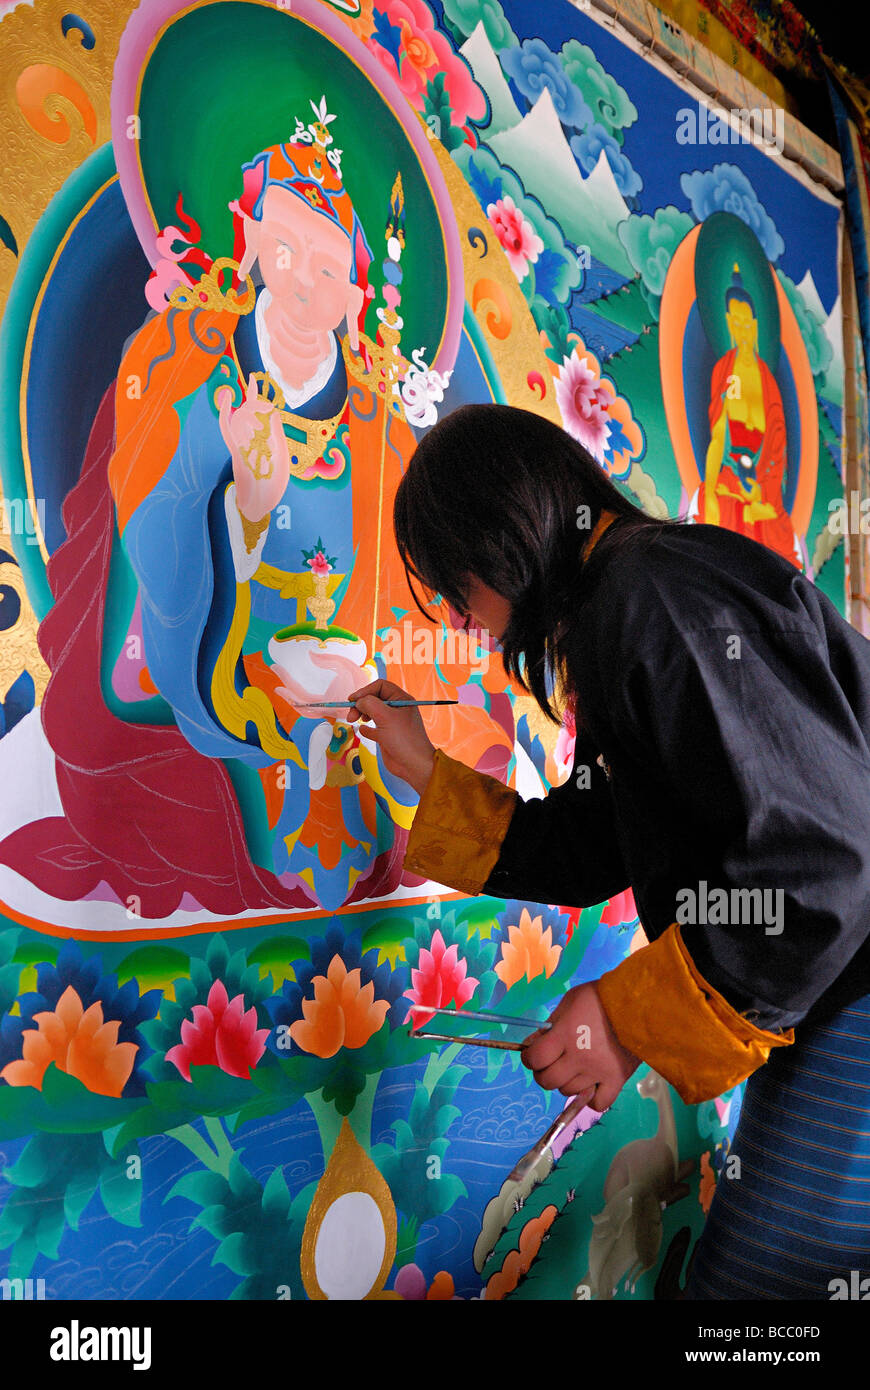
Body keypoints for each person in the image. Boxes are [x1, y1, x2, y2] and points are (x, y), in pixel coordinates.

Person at [346, 401, 870, 1300]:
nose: (460, 616)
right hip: (834, 982)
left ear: (498, 536)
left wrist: (626, 1019)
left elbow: (817, 867)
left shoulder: (648, 594)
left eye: (451, 578)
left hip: (853, 982)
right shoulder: (630, 594)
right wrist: (427, 772)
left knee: (752, 1299)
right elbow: (596, 840)